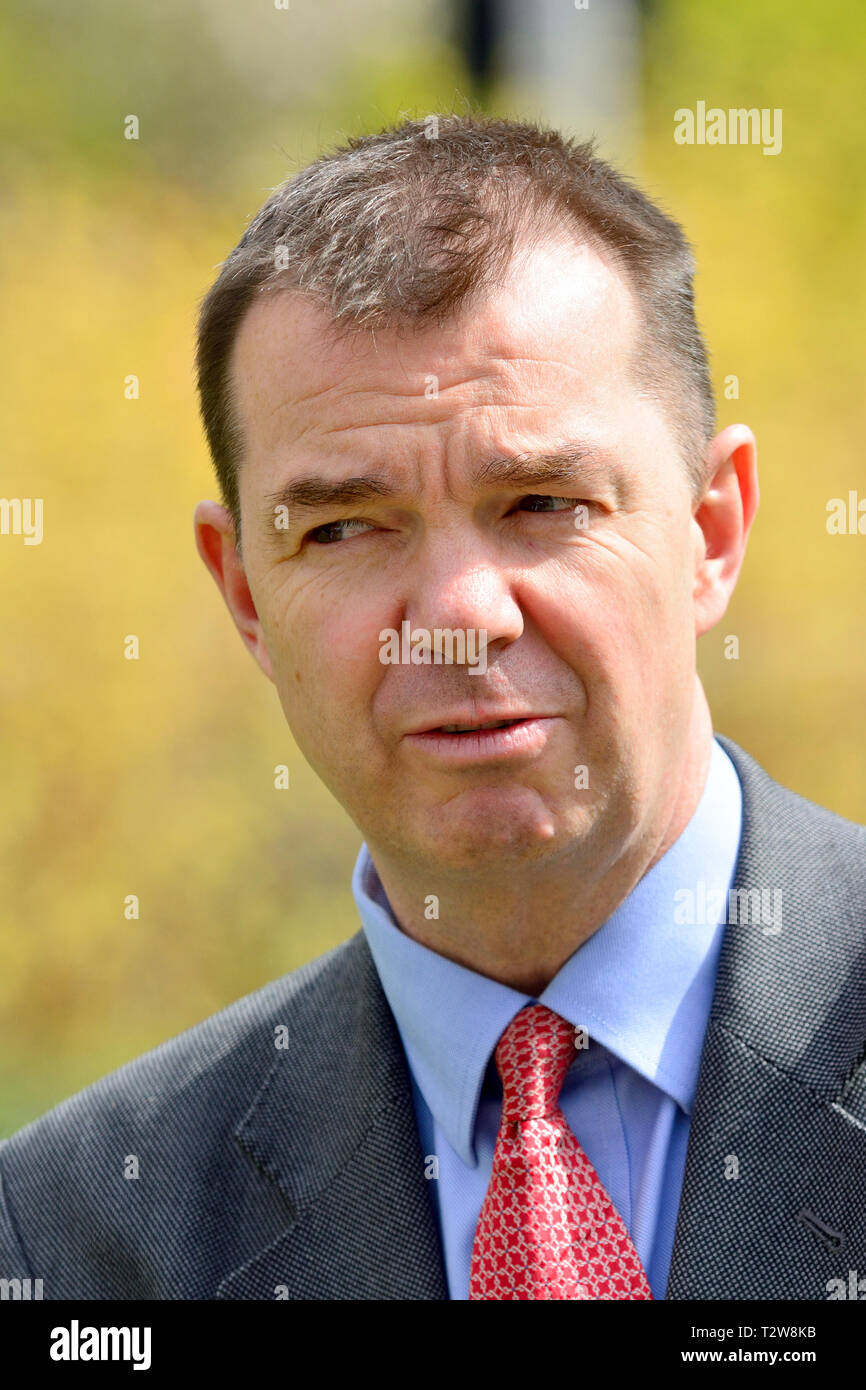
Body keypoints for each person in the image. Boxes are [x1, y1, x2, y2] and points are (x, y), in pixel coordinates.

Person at [2, 115, 865, 1302]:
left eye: (541, 502)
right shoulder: (79, 1235)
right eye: (346, 528)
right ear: (246, 594)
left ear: (710, 531)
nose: (458, 617)